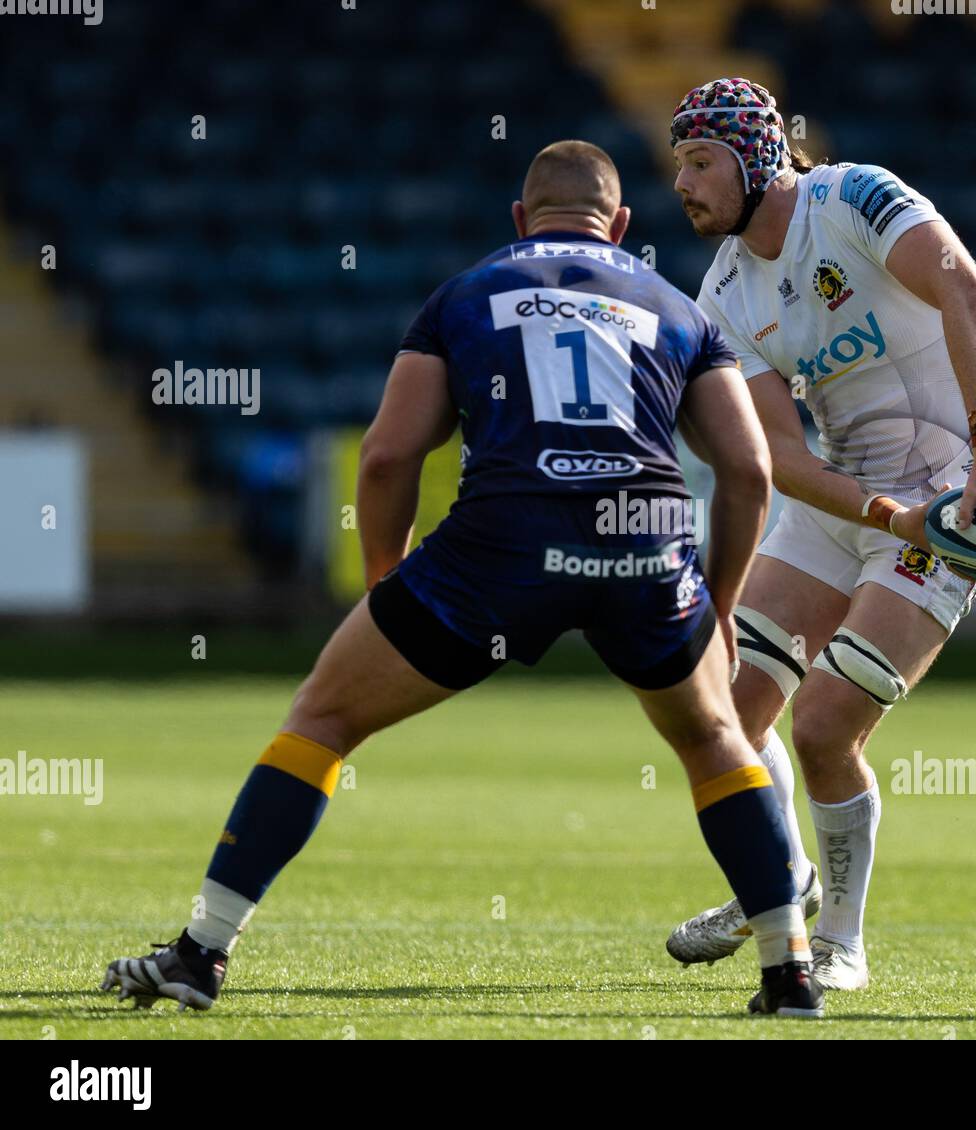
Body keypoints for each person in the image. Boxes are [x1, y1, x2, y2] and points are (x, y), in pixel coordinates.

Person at [101, 139, 824, 1019]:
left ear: (519, 221)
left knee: (322, 721)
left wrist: (382, 585)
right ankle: (789, 972)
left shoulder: (466, 294)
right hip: (647, 536)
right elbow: (748, 470)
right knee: (716, 742)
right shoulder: (677, 306)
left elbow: (388, 456)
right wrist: (717, 602)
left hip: (502, 542)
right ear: (622, 227)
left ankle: (202, 951)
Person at [664, 78, 976, 989]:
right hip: (854, 500)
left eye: (700, 161)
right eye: (678, 163)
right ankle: (781, 878)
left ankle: (841, 943)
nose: (683, 182)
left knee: (825, 724)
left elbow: (971, 291)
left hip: (959, 493)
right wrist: (883, 514)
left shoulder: (855, 198)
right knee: (721, 706)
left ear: (757, 153)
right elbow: (773, 452)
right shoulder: (722, 288)